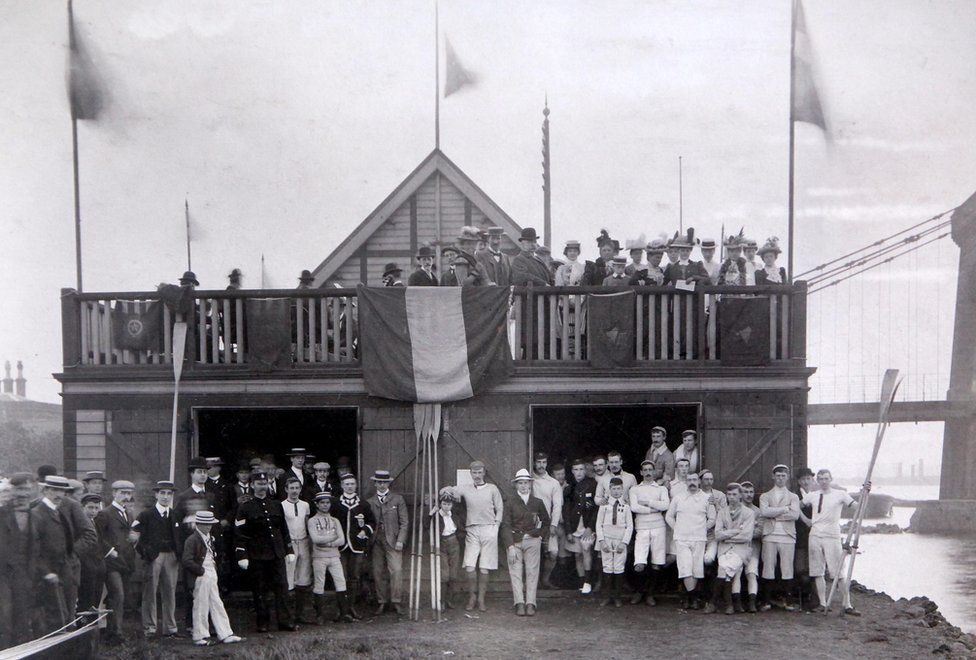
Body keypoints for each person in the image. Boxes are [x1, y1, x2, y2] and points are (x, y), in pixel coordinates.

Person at [234, 471, 298, 633]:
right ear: (253, 485)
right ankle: (263, 622)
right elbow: (240, 533)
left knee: (282, 588)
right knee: (260, 589)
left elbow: (283, 529)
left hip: (276, 553)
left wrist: (289, 549)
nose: (262, 486)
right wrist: (242, 555)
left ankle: (285, 621)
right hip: (257, 554)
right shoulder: (245, 507)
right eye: (259, 484)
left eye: (265, 484)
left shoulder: (276, 505)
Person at [800, 469, 868, 616]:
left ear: (831, 479)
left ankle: (847, 604)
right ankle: (823, 603)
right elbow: (796, 506)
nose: (823, 481)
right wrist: (805, 520)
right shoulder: (812, 495)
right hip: (815, 535)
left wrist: (864, 495)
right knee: (817, 571)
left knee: (838, 572)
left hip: (832, 536)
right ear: (817, 481)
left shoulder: (840, 494)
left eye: (826, 478)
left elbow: (859, 508)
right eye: (821, 479)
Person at [440, 460, 504, 612]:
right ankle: (472, 597)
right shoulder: (465, 488)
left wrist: (496, 526)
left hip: (489, 529)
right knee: (469, 566)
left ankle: (481, 599)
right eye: (474, 473)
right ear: (471, 474)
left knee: (484, 568)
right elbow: (444, 492)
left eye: (479, 472)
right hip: (472, 530)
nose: (477, 476)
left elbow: (500, 508)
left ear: (484, 473)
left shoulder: (492, 488)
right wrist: (448, 490)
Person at [183, 511, 243, 646]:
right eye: (205, 524)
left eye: (210, 524)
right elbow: (186, 560)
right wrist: (201, 570)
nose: (209, 526)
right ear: (198, 524)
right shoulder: (192, 539)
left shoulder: (209, 537)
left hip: (211, 572)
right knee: (200, 604)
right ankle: (200, 636)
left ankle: (225, 633)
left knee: (217, 602)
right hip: (201, 574)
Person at [132, 480, 182, 638]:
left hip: (171, 557)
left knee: (170, 592)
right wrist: (145, 552)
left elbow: (180, 537)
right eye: (162, 493)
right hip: (154, 557)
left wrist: (177, 553)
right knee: (150, 592)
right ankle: (150, 628)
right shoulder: (146, 515)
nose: (166, 497)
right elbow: (134, 536)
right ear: (156, 494)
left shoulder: (175, 515)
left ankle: (170, 628)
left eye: (169, 494)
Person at [501, 469, 550, 617]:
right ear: (516, 485)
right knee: (516, 572)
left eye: (526, 483)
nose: (523, 486)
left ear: (530, 484)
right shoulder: (510, 502)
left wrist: (539, 535)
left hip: (532, 540)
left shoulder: (537, 502)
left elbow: (546, 522)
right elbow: (505, 526)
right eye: (520, 483)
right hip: (515, 542)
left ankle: (531, 603)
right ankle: (519, 603)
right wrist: (510, 546)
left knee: (532, 572)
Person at [31, 476, 75, 636]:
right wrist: (46, 572)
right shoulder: (37, 514)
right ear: (45, 491)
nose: (59, 494)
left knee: (65, 615)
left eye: (62, 490)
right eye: (54, 490)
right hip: (46, 576)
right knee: (52, 619)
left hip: (62, 571)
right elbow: (34, 549)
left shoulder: (58, 512)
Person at [665, 472, 715, 610]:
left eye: (694, 480)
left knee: (696, 569)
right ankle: (693, 598)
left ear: (699, 482)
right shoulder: (678, 498)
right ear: (686, 482)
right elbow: (669, 516)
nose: (692, 482)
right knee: (685, 567)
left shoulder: (707, 498)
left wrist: (702, 529)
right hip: (682, 539)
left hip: (699, 538)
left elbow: (712, 518)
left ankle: (688, 597)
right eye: (689, 480)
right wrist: (677, 528)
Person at [94, 479, 136, 642]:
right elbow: (97, 536)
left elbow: (128, 536)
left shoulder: (128, 513)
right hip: (112, 563)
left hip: (126, 562)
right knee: (117, 594)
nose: (126, 497)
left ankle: (111, 630)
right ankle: (116, 634)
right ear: (114, 494)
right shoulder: (105, 513)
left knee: (119, 596)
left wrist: (134, 539)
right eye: (122, 493)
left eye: (129, 493)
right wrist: (110, 551)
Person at [308, 492, 357, 623]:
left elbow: (342, 540)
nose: (325, 505)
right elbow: (315, 539)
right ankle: (319, 615)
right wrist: (332, 538)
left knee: (340, 582)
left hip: (335, 556)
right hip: (319, 557)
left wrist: (327, 542)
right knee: (319, 584)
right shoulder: (312, 521)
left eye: (327, 502)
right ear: (317, 504)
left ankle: (344, 613)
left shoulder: (335, 520)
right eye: (322, 503)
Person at [0, 473, 36, 648]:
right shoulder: (1, 513)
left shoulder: (34, 514)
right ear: (13, 490)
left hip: (24, 575)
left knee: (23, 619)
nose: (24, 494)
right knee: (5, 618)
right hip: (2, 575)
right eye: (20, 489)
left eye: (27, 490)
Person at [759, 464, 801, 611]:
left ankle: (788, 601)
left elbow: (795, 515)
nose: (780, 478)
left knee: (787, 567)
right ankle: (766, 601)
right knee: (768, 567)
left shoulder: (793, 497)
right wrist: (784, 509)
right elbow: (764, 512)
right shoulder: (765, 496)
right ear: (773, 476)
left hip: (787, 536)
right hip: (770, 535)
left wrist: (774, 514)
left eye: (783, 475)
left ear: (787, 477)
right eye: (778, 475)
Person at [367, 470, 409, 615]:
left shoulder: (397, 499)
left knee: (396, 571)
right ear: (375, 484)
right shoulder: (370, 501)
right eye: (379, 482)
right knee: (378, 572)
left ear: (388, 483)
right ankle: (381, 602)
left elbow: (404, 522)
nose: (382, 485)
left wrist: (400, 540)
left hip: (393, 541)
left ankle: (396, 601)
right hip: (376, 541)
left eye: (384, 482)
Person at [629, 459, 670, 606]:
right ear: (641, 472)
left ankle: (650, 594)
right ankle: (639, 592)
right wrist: (653, 509)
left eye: (650, 470)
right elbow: (634, 507)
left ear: (654, 472)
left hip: (659, 527)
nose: (647, 473)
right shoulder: (635, 489)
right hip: (642, 527)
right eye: (644, 470)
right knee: (639, 562)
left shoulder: (661, 489)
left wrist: (648, 503)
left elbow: (666, 505)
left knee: (656, 562)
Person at [332, 474, 374, 616]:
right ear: (342, 486)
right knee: (341, 576)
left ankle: (351, 607)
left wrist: (364, 531)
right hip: (341, 546)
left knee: (355, 577)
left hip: (357, 546)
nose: (350, 486)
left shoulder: (363, 504)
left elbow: (371, 522)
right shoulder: (336, 503)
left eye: (352, 484)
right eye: (347, 484)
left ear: (356, 486)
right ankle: (341, 609)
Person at [712, 483, 756, 615]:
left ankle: (714, 603)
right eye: (729, 494)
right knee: (725, 571)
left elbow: (746, 536)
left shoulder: (749, 513)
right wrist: (736, 531)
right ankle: (729, 605)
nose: (731, 497)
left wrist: (727, 535)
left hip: (741, 550)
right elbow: (718, 534)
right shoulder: (722, 512)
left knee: (723, 570)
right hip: (724, 548)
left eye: (734, 494)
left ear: (740, 495)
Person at [595, 477, 632, 608]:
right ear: (609, 489)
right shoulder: (604, 506)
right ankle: (607, 596)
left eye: (619, 489)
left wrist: (624, 542)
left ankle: (617, 597)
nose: (616, 491)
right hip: (607, 539)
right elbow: (598, 524)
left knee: (618, 567)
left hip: (620, 540)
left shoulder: (626, 506)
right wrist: (602, 541)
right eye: (614, 489)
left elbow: (630, 526)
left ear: (622, 489)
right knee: (607, 567)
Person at [563, 458, 598, 594]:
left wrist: (590, 527)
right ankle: (581, 581)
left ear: (586, 470)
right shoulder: (569, 487)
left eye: (581, 469)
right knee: (578, 555)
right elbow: (566, 511)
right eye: (576, 470)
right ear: (572, 471)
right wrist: (568, 531)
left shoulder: (593, 484)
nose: (579, 472)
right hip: (574, 526)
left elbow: (596, 508)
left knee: (586, 551)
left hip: (588, 526)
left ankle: (588, 581)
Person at [282, 478, 314, 624]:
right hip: (290, 544)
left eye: (297, 488)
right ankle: (289, 616)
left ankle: (300, 614)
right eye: (292, 488)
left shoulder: (305, 505)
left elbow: (307, 523)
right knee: (289, 578)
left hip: (304, 542)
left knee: (304, 577)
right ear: (286, 489)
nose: (294, 491)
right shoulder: (281, 505)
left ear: (300, 489)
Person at [530, 452, 563, 590]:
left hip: (548, 523)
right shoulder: (529, 479)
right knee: (533, 554)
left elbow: (557, 506)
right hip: (532, 523)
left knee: (553, 553)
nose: (541, 465)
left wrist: (554, 524)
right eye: (538, 462)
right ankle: (533, 583)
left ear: (547, 463)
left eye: (544, 462)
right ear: (534, 463)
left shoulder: (553, 483)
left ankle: (545, 580)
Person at [76, 493, 105, 617]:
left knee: (95, 600)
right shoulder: (79, 524)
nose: (93, 511)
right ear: (83, 508)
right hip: (84, 568)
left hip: (97, 568)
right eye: (90, 507)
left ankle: (91, 629)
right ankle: (81, 627)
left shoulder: (96, 523)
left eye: (96, 508)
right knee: (85, 601)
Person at [433, 493, 463, 610]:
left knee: (453, 573)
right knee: (444, 574)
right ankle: (442, 601)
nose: (446, 507)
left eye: (449, 504)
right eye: (444, 504)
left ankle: (450, 600)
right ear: (440, 504)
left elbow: (461, 528)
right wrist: (431, 514)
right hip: (441, 544)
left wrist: (459, 538)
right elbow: (426, 525)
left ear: (452, 505)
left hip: (454, 543)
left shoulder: (454, 515)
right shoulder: (436, 516)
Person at [740, 481, 763, 612]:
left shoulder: (758, 511)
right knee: (734, 574)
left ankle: (752, 603)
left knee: (752, 573)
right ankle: (734, 602)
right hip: (736, 548)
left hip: (752, 548)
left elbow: (759, 532)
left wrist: (743, 531)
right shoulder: (735, 509)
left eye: (751, 492)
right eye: (745, 492)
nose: (749, 495)